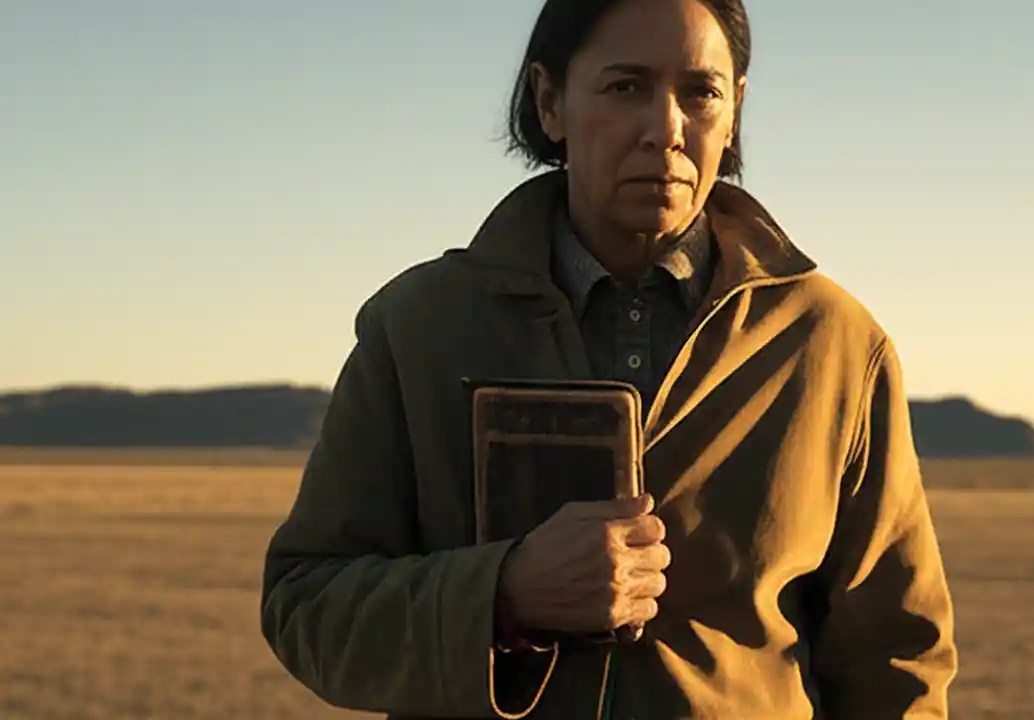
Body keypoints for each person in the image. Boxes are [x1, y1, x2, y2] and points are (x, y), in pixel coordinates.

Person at [259, 0, 957, 717]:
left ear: (736, 107)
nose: (666, 130)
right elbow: (306, 603)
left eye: (701, 92)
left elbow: (896, 660)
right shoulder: (419, 328)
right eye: (626, 87)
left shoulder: (830, 341)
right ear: (549, 101)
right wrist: (503, 595)